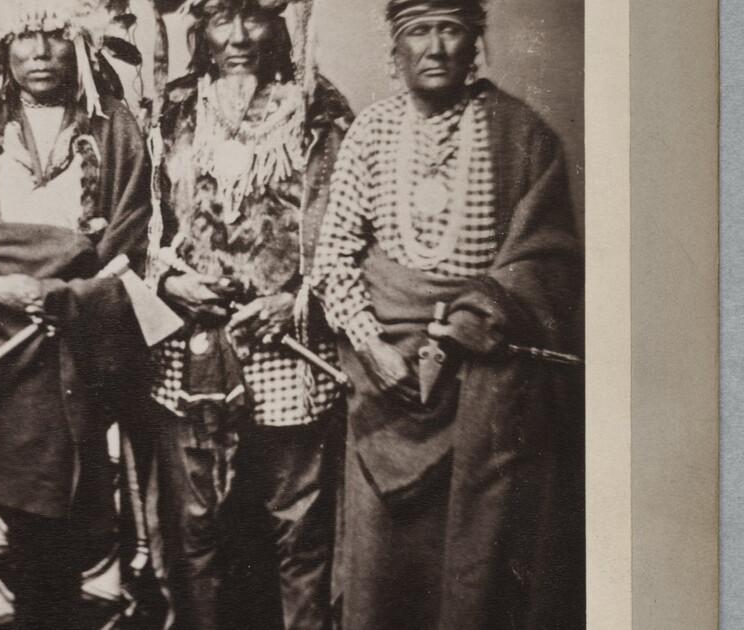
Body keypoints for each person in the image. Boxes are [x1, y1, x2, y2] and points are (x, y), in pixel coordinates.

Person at [309, 0, 584, 627]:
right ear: (395, 47)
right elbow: (333, 257)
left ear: (475, 43)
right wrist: (372, 347)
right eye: (419, 31)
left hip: (484, 386)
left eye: (451, 30)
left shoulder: (522, 134)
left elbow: (546, 261)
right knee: (383, 573)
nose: (435, 48)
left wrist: (470, 323)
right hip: (385, 383)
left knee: (478, 566)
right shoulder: (371, 131)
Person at [0, 2, 153, 628]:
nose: (41, 52)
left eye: (55, 35)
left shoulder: (115, 126)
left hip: (86, 336)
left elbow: (130, 235)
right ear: (0, 49)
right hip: (1, 340)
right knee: (15, 488)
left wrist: (72, 298)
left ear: (81, 45)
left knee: (90, 488)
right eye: (25, 37)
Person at [143, 1, 353, 628]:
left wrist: (298, 300)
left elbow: (346, 226)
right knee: (196, 528)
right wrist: (169, 281)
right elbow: (141, 220)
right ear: (200, 31)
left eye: (253, 16)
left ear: (278, 24)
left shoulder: (318, 108)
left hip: (290, 345)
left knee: (299, 529)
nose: (237, 36)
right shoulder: (174, 109)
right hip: (192, 346)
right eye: (220, 19)